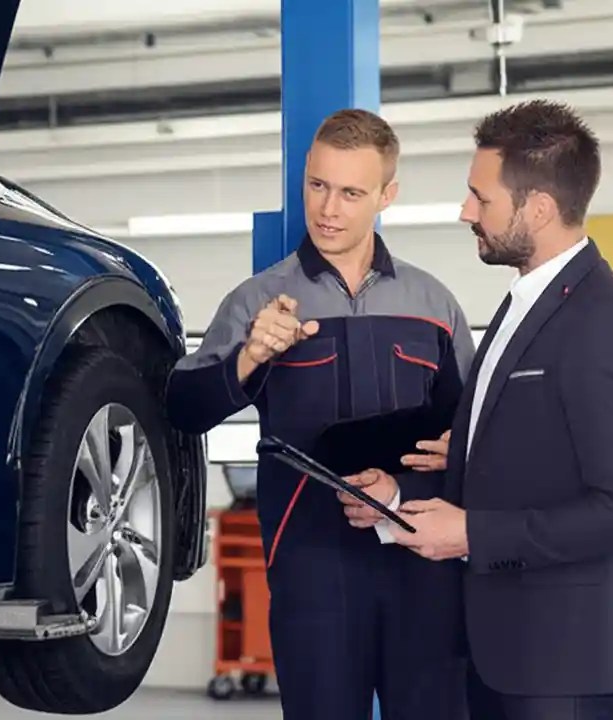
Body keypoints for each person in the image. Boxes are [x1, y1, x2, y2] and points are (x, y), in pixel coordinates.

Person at [343, 99, 613, 720]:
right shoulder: (523, 307)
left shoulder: (606, 323)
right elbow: (512, 464)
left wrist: (469, 533)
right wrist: (399, 492)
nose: (467, 211)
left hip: (563, 662)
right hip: (498, 650)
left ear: (538, 208)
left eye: (481, 197)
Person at [165, 108, 475, 720]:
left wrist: (407, 488)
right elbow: (183, 407)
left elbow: (465, 440)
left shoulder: (433, 304)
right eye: (318, 186)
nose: (328, 209)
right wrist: (250, 356)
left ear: (387, 195)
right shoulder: (259, 300)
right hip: (313, 570)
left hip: (420, 564)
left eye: (352, 192)